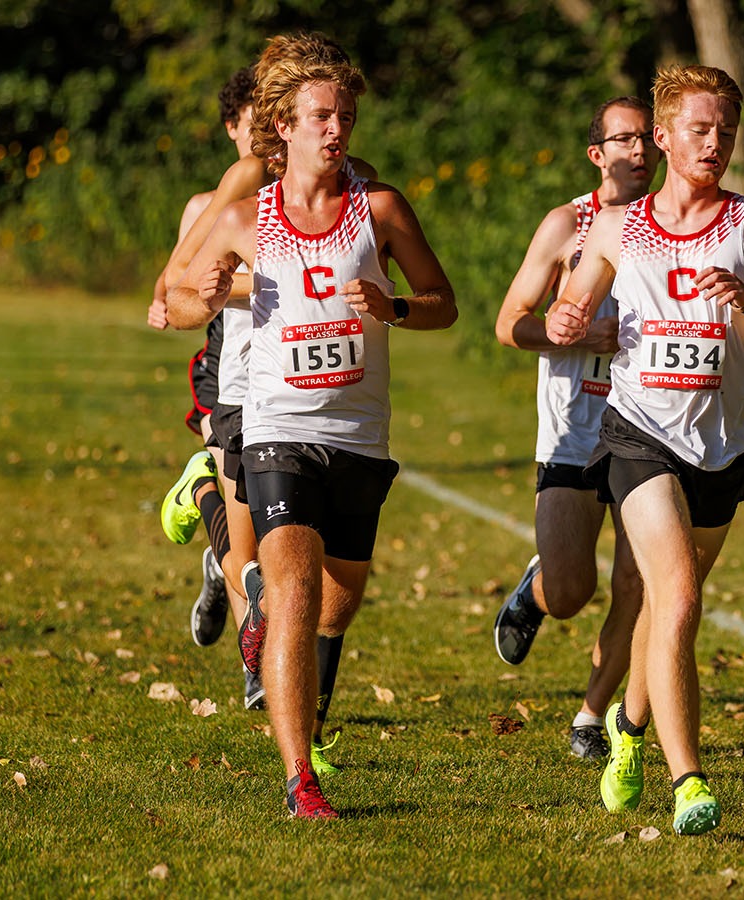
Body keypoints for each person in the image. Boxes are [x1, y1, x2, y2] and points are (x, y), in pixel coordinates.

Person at [168, 44, 456, 819]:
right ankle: (302, 780)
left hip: (359, 433)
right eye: (323, 116)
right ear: (283, 126)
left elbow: (443, 301)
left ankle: (227, 552)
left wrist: (394, 307)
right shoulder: (240, 216)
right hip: (275, 426)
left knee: (336, 603)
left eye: (346, 116)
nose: (338, 129)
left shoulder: (383, 208)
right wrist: (204, 293)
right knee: (292, 587)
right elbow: (176, 303)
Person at [546, 64, 744, 836]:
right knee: (681, 596)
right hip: (636, 434)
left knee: (671, 605)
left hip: (720, 447)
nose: (714, 143)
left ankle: (629, 730)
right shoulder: (614, 227)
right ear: (662, 137)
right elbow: (573, 304)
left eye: (725, 131)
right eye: (699, 129)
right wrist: (568, 321)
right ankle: (689, 778)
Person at [491, 96, 660, 760]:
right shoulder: (568, 224)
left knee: (639, 584)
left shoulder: (675, 224)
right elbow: (510, 323)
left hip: (651, 428)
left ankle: (593, 716)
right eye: (624, 140)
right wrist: (580, 333)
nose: (640, 150)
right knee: (571, 591)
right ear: (598, 155)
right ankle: (537, 588)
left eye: (648, 138)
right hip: (574, 428)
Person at [151, 67, 257, 684]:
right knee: (249, 534)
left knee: (263, 532)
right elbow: (180, 279)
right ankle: (257, 670)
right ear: (231, 127)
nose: (266, 132)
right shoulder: (221, 195)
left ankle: (202, 499)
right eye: (254, 121)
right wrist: (170, 293)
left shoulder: (326, 184)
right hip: (228, 369)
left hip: (294, 377)